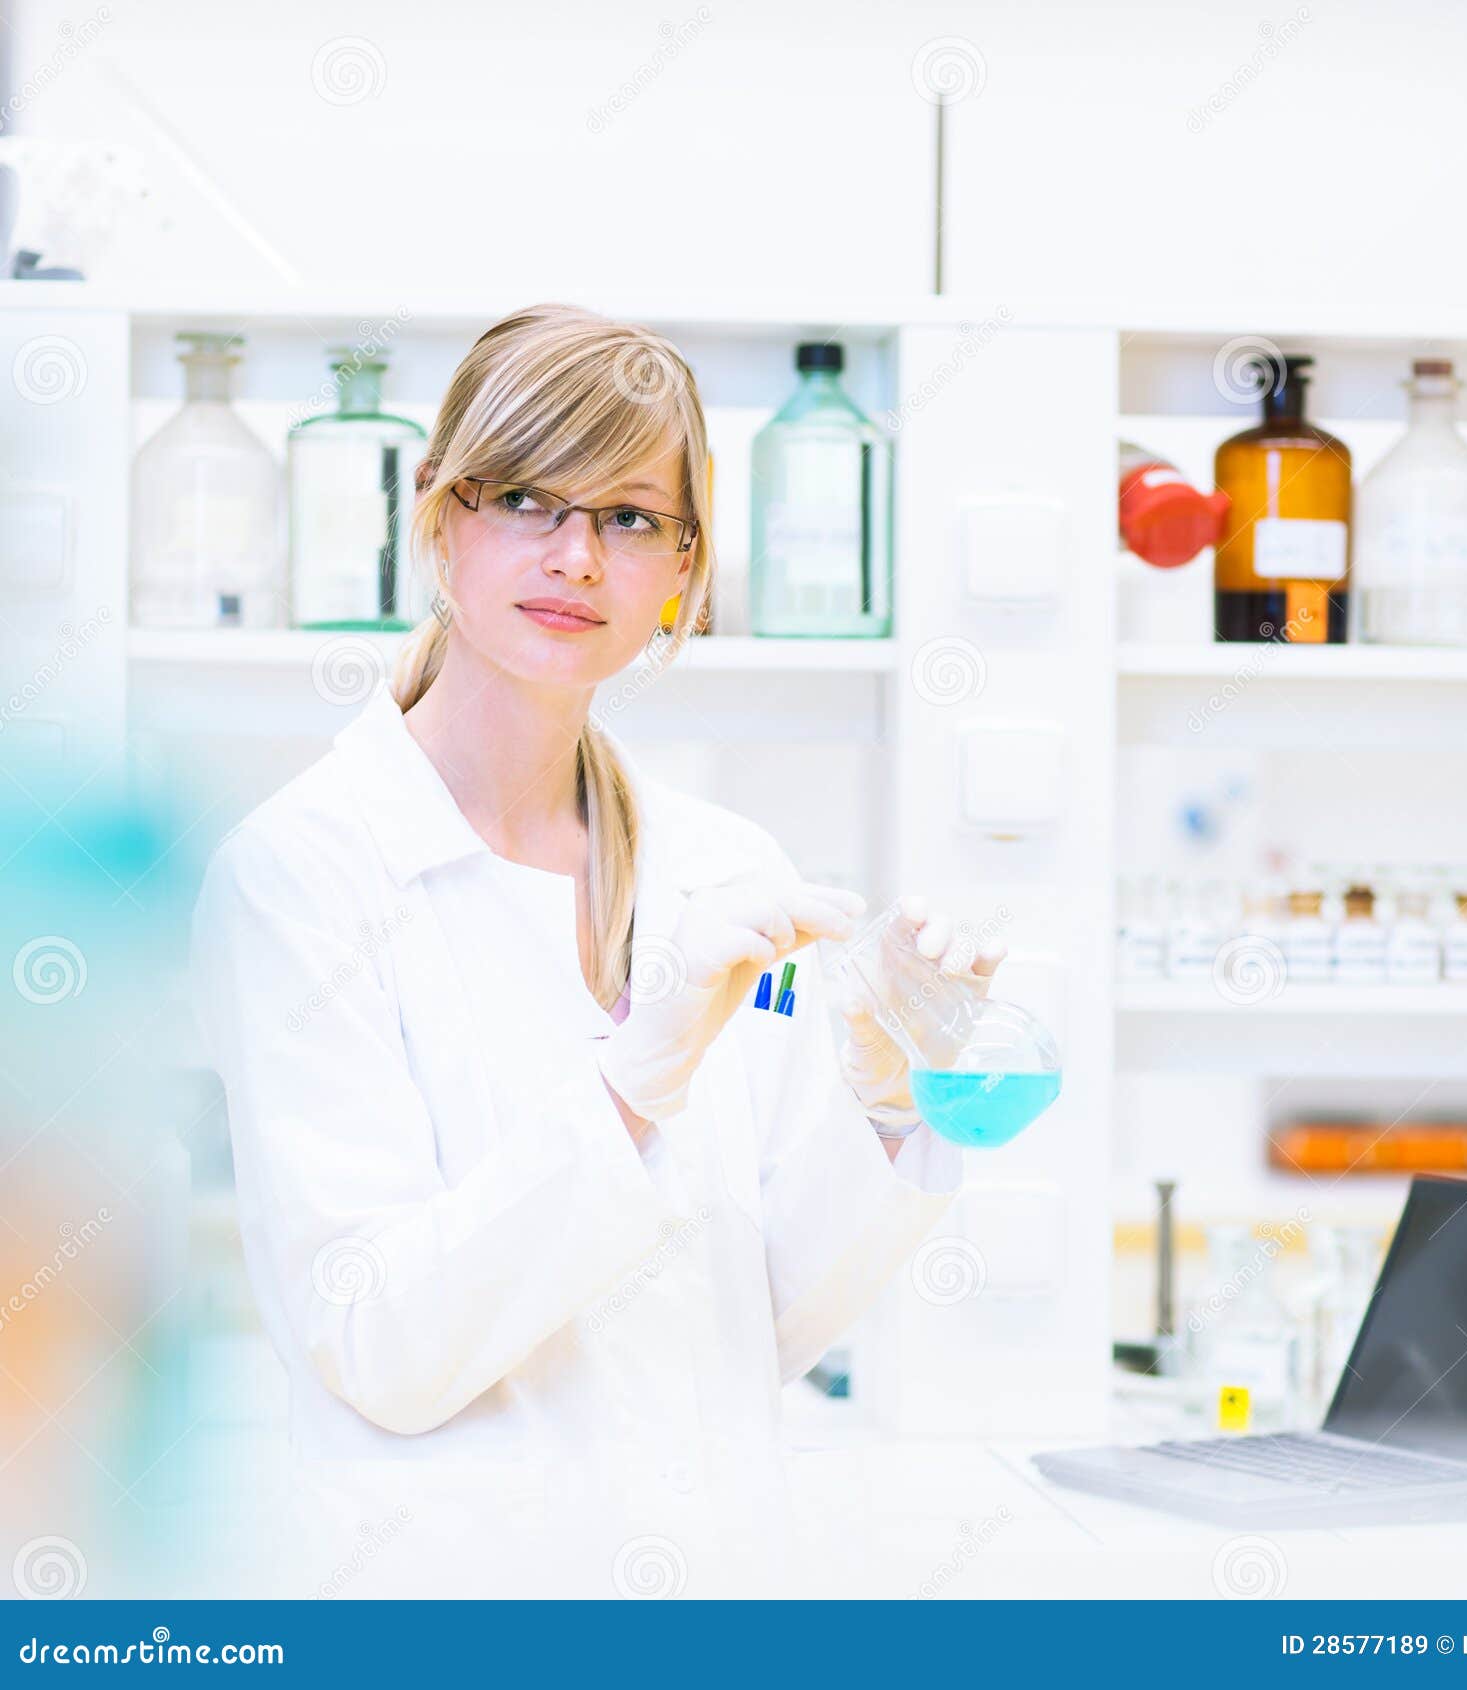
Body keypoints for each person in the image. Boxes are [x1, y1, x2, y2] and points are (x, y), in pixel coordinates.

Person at [190, 303, 1005, 1596]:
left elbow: (762, 1322)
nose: (577, 556)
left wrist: (889, 1097)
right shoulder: (304, 871)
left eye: (630, 517)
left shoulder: (722, 866)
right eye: (526, 496)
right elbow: (376, 1341)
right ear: (439, 511)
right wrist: (634, 1085)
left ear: (683, 563)